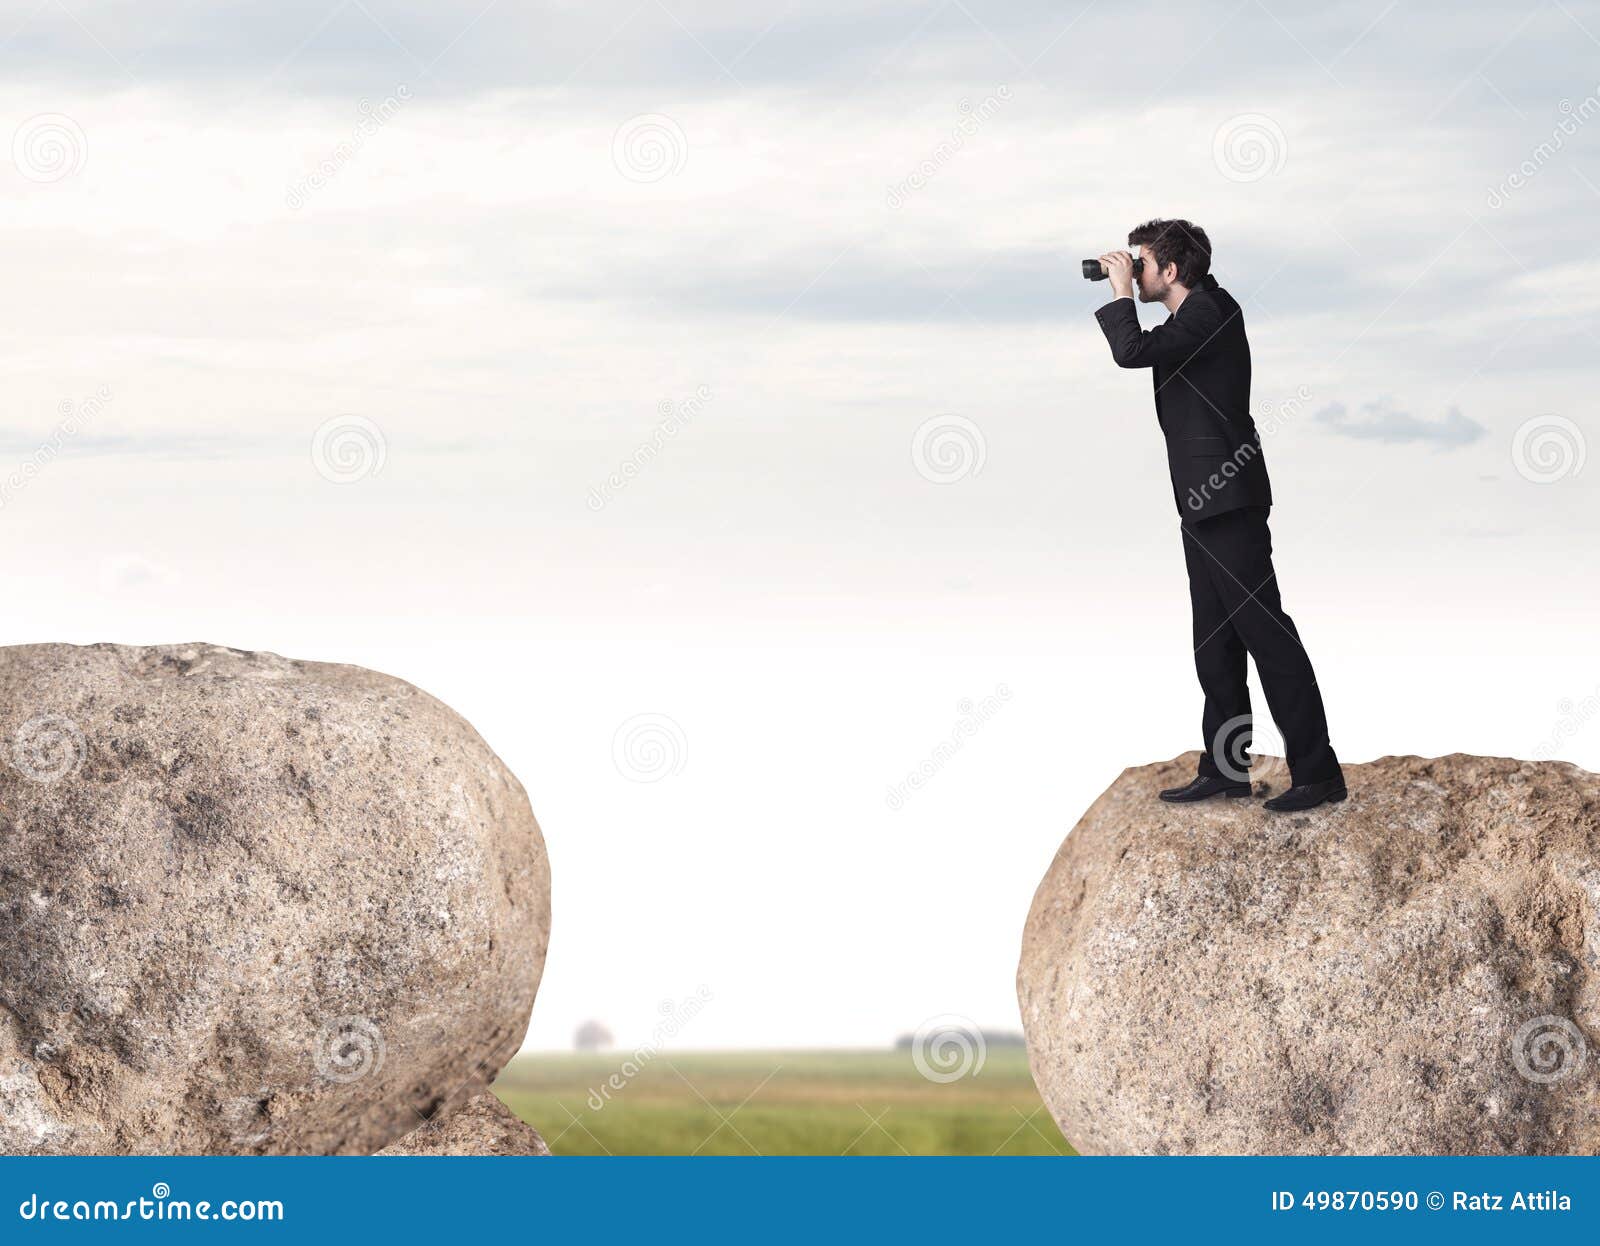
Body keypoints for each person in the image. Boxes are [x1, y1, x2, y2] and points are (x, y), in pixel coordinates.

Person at [1093, 218, 1346, 813]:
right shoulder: (1188, 320)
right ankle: (1227, 769)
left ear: (1170, 270)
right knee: (1215, 642)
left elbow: (1131, 352)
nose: (1133, 270)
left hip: (1228, 499)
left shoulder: (1212, 312)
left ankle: (1318, 773)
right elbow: (1151, 351)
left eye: (1141, 262)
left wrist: (1121, 295)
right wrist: (1129, 288)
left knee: (1266, 634)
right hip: (1202, 501)